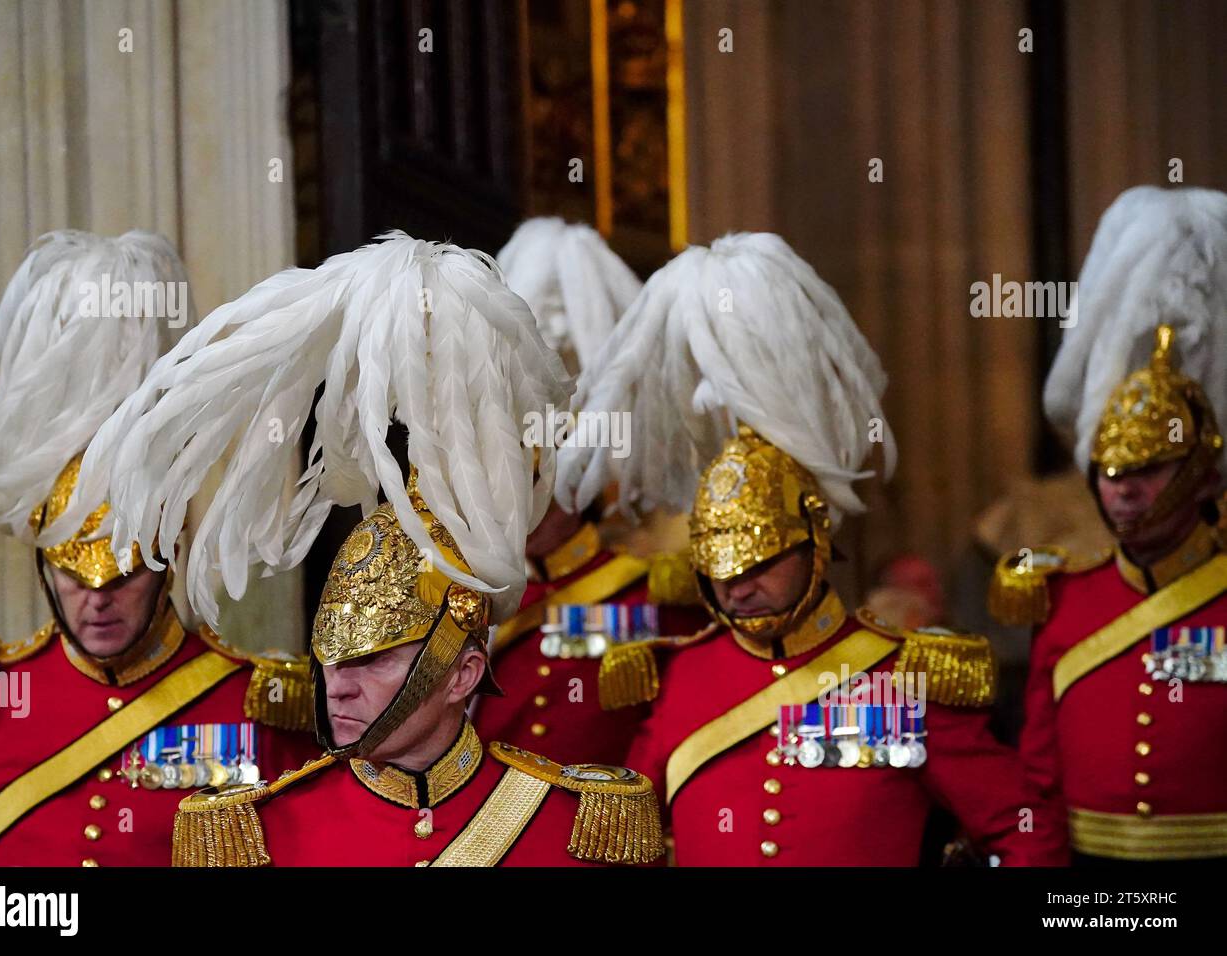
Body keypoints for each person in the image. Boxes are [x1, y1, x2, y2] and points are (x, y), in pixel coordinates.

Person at [60, 232, 665, 866]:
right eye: (331, 659)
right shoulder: (264, 835)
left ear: (463, 674)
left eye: (374, 660)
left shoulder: (575, 831)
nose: (336, 690)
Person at [559, 231, 1069, 866]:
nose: (736, 587)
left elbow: (1025, 827)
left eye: (761, 560)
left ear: (815, 541)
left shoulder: (900, 680)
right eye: (719, 569)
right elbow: (624, 848)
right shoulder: (680, 675)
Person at [0, 231, 313, 867]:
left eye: (121, 578)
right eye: (75, 579)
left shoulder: (251, 704)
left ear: (167, 559)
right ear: (45, 567)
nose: (96, 601)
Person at [990, 186, 1227, 864]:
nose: (1123, 491)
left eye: (1149, 470)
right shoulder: (1066, 600)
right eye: (1112, 471)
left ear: (1202, 475)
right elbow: (1039, 786)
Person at [475, 217, 710, 764]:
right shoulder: (456, 593)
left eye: (540, 484)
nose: (523, 506)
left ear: (579, 485)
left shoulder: (645, 597)